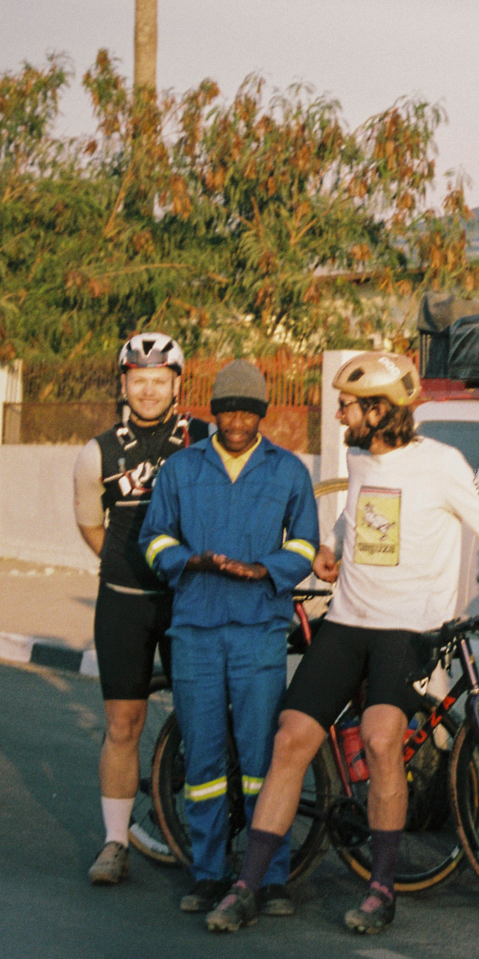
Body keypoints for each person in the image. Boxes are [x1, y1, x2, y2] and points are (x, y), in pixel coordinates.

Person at [205, 351, 479, 935]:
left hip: (408, 627)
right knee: (291, 738)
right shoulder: (359, 456)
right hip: (348, 622)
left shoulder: (442, 464)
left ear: (378, 408)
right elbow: (358, 518)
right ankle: (247, 884)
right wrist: (334, 548)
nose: (340, 415)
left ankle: (380, 888)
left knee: (380, 738)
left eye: (347, 406)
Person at [139, 361, 319, 916]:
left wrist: (265, 570)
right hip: (194, 628)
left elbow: (306, 545)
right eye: (227, 411)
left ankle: (269, 876)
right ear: (212, 413)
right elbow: (152, 538)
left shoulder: (287, 470)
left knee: (264, 757)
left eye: (247, 411)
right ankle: (210, 872)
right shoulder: (180, 468)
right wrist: (186, 559)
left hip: (259, 630)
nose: (237, 422)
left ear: (261, 415)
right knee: (204, 760)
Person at [75, 333, 212, 886]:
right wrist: (128, 565)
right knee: (122, 723)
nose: (150, 390)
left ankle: (201, 838)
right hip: (125, 603)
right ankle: (115, 842)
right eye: (139, 380)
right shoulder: (97, 452)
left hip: (191, 601)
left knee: (203, 718)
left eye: (161, 380)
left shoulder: (204, 439)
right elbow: (92, 526)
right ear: (124, 384)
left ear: (178, 384)